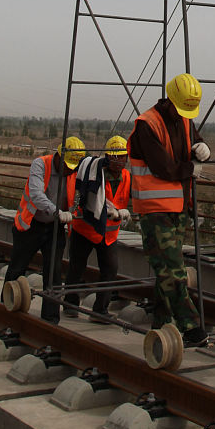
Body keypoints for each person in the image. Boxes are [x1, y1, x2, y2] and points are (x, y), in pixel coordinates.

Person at [127, 73, 212, 346]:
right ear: (170, 101)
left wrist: (202, 148)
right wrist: (191, 169)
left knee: (166, 267)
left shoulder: (184, 119)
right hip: (155, 209)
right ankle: (191, 328)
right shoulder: (147, 125)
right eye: (182, 109)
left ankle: (161, 325)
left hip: (178, 207)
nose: (185, 115)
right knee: (171, 269)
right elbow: (163, 167)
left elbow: (193, 143)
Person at [2, 135, 84, 324]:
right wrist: (57, 211)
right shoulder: (41, 164)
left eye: (71, 167)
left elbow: (81, 192)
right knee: (17, 267)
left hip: (55, 227)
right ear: (58, 155)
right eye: (66, 166)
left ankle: (50, 319)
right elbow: (37, 195)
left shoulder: (74, 170)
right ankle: (6, 304)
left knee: (54, 273)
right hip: (32, 225)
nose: (67, 171)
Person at [63, 135, 133, 318]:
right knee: (76, 268)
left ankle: (100, 310)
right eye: (114, 156)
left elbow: (132, 200)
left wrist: (126, 210)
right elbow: (79, 195)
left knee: (110, 271)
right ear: (107, 157)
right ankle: (70, 305)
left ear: (127, 158)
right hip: (85, 229)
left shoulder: (127, 177)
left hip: (108, 235)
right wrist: (73, 209)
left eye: (122, 156)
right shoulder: (92, 174)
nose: (118, 161)